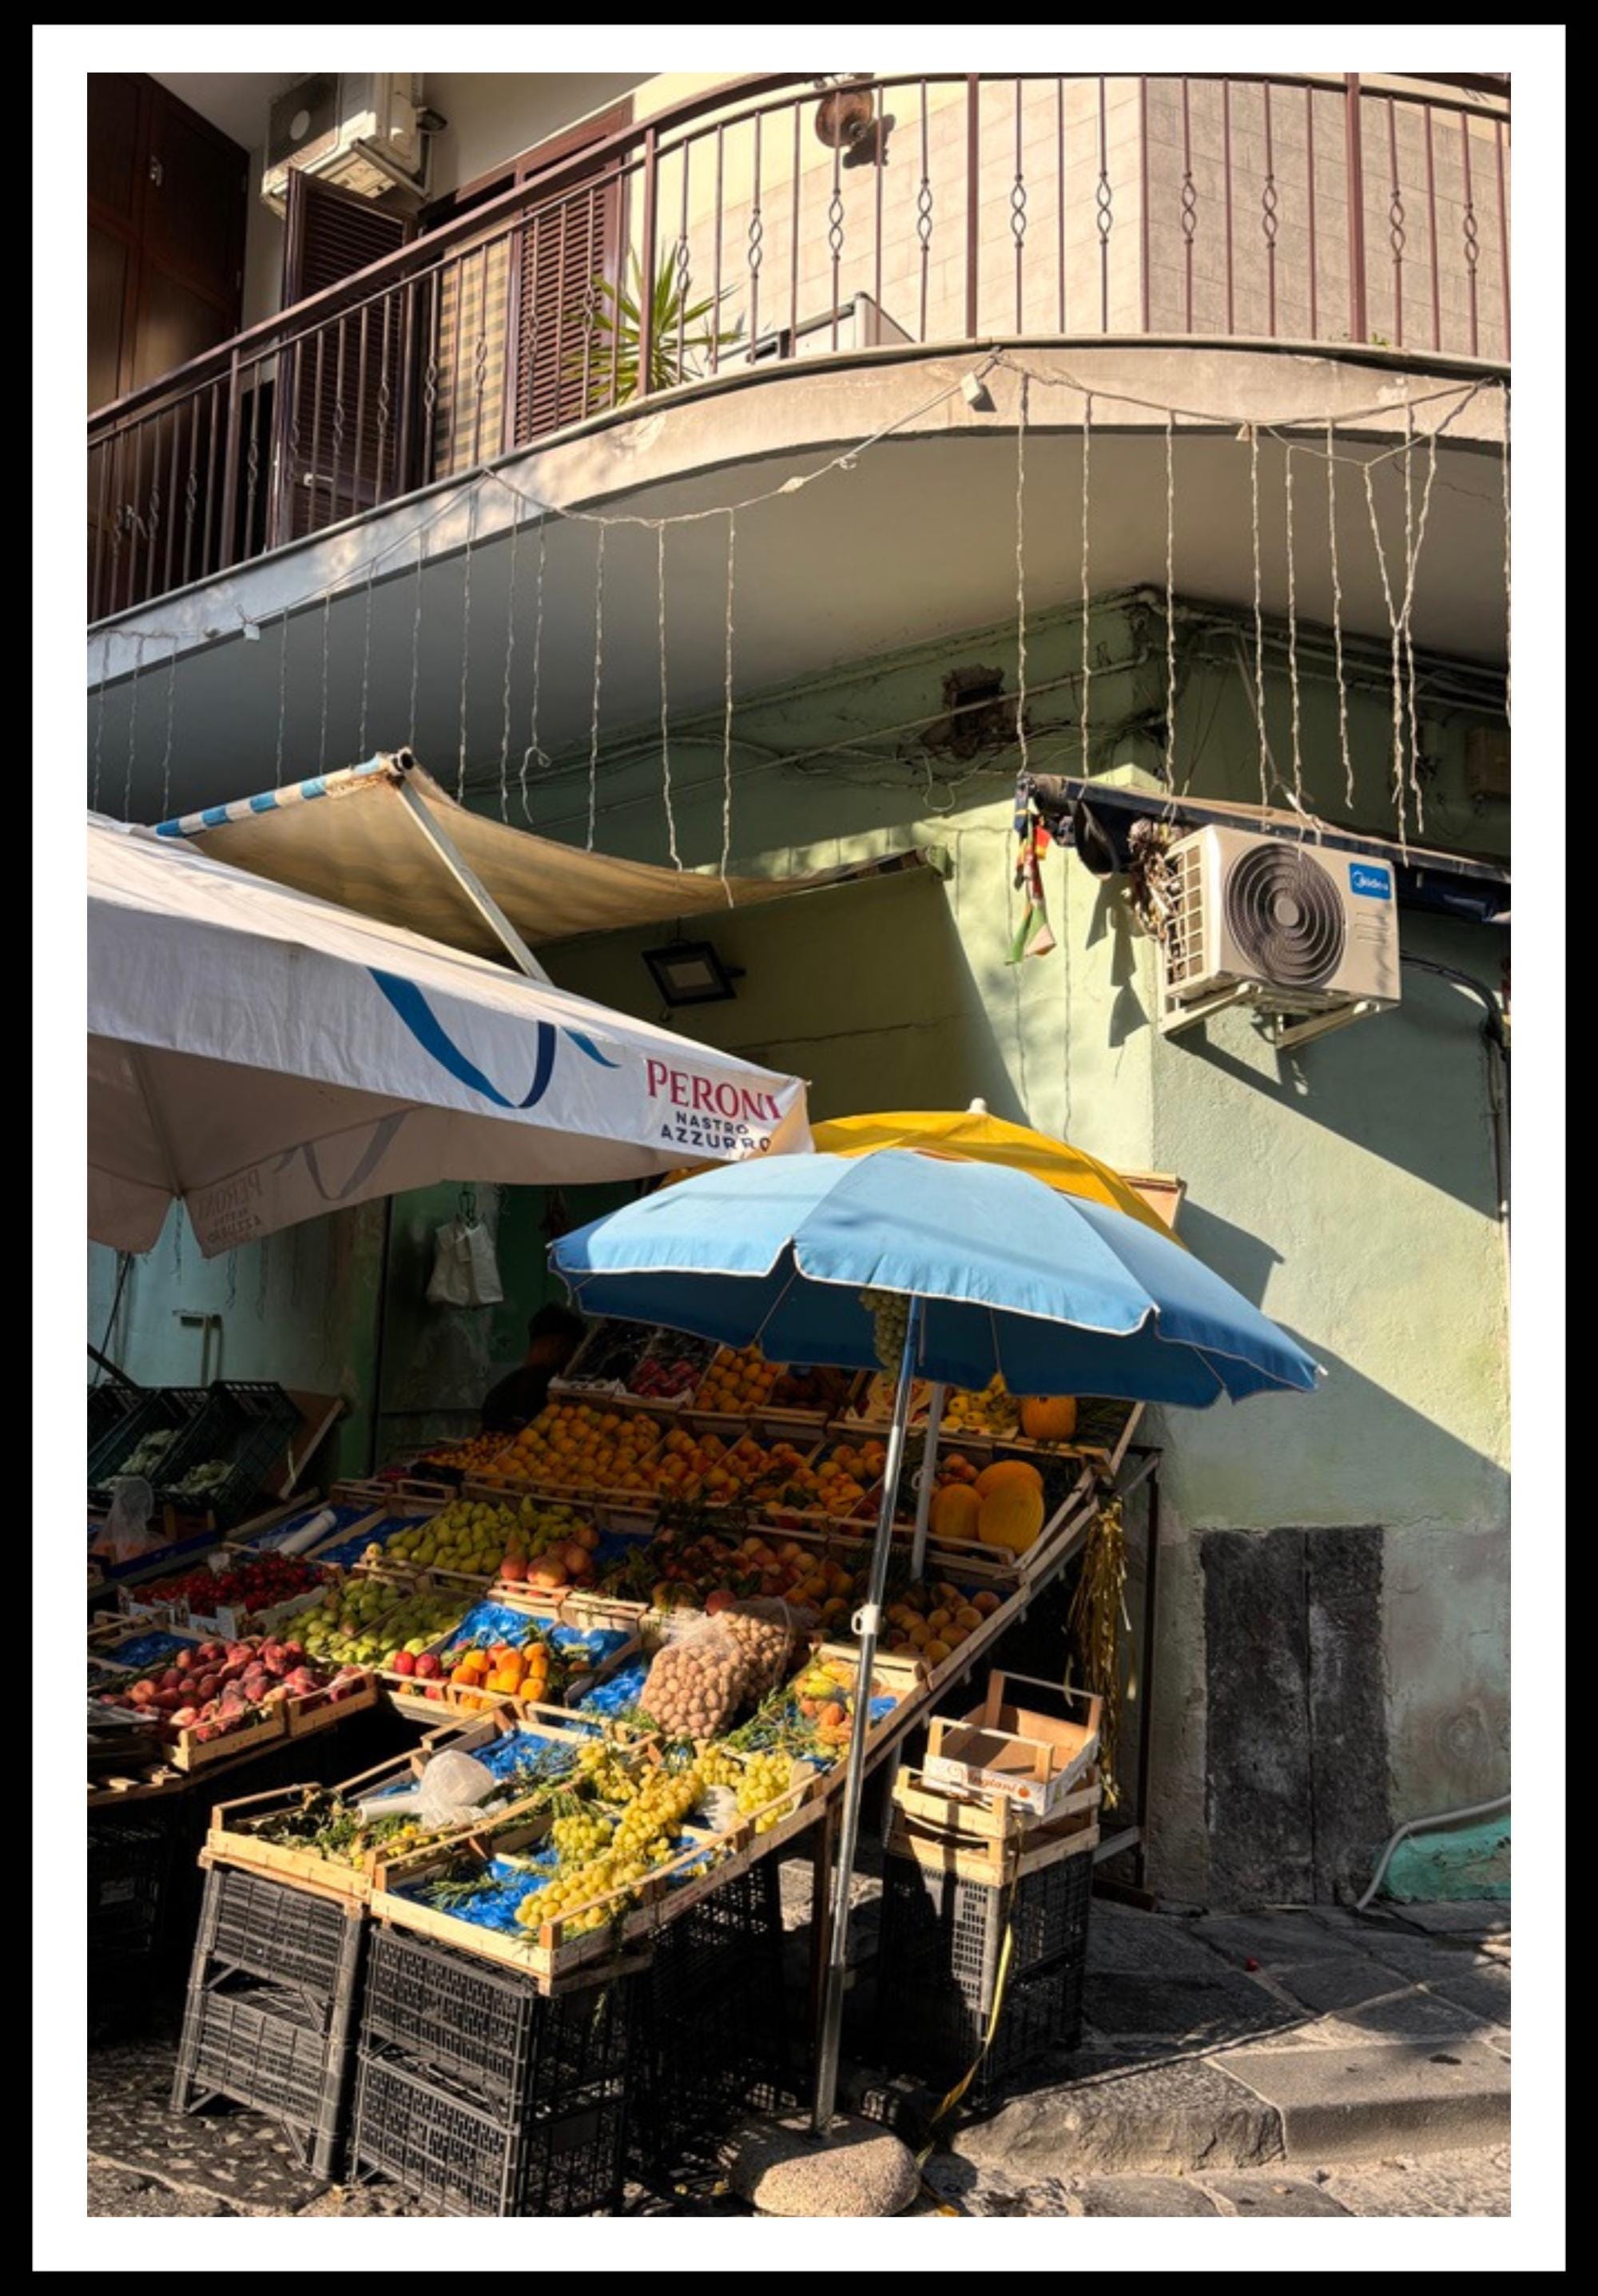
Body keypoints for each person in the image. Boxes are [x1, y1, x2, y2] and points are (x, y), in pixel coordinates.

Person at [480, 1303, 586, 1434]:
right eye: (572, 1349)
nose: (571, 1357)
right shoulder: (547, 1390)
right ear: (558, 1346)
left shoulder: (502, 1389)